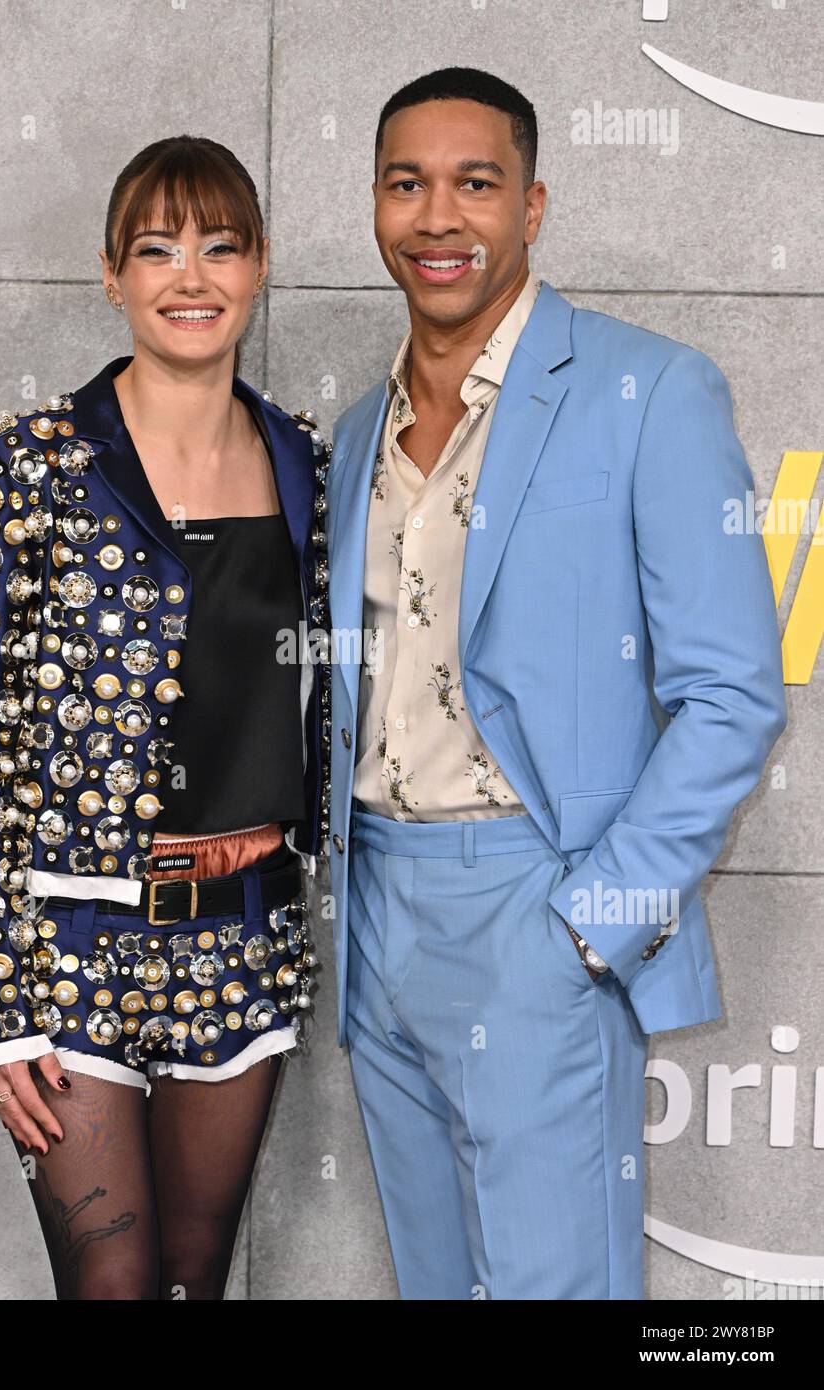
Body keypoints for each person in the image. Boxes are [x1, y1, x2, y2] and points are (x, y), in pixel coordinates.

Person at [325, 67, 787, 1299]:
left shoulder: (650, 390)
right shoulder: (360, 432)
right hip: (378, 919)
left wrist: (594, 924)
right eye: (406, 183)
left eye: (476, 183)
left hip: (537, 910)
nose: (439, 217)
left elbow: (735, 690)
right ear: (374, 205)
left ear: (533, 206)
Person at [0, 135, 331, 1299]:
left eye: (219, 245)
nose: (188, 276)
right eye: (156, 249)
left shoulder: (303, 460)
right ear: (112, 274)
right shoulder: (28, 468)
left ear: (259, 267)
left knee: (197, 1278)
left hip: (244, 939)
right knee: (111, 1291)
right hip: (67, 952)